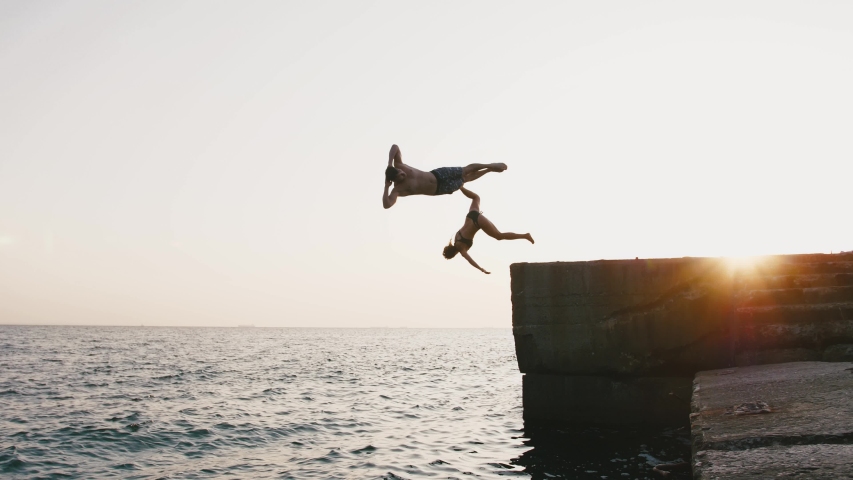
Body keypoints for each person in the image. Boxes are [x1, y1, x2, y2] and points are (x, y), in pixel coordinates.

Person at [382, 144, 507, 209]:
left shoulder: (399, 165)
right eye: (401, 176)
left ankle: (490, 165)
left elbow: (395, 146)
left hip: (437, 174)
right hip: (439, 188)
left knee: (465, 170)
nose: (404, 173)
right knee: (465, 179)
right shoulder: (397, 190)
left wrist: (389, 163)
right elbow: (387, 205)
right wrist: (386, 187)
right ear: (395, 181)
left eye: (400, 171)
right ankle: (489, 171)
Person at [442, 186, 533, 274]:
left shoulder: (461, 248)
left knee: (499, 236)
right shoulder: (456, 238)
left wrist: (480, 268)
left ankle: (525, 236)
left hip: (477, 222)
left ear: (453, 254)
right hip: (471, 215)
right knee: (476, 197)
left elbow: (469, 260)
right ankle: (461, 187)